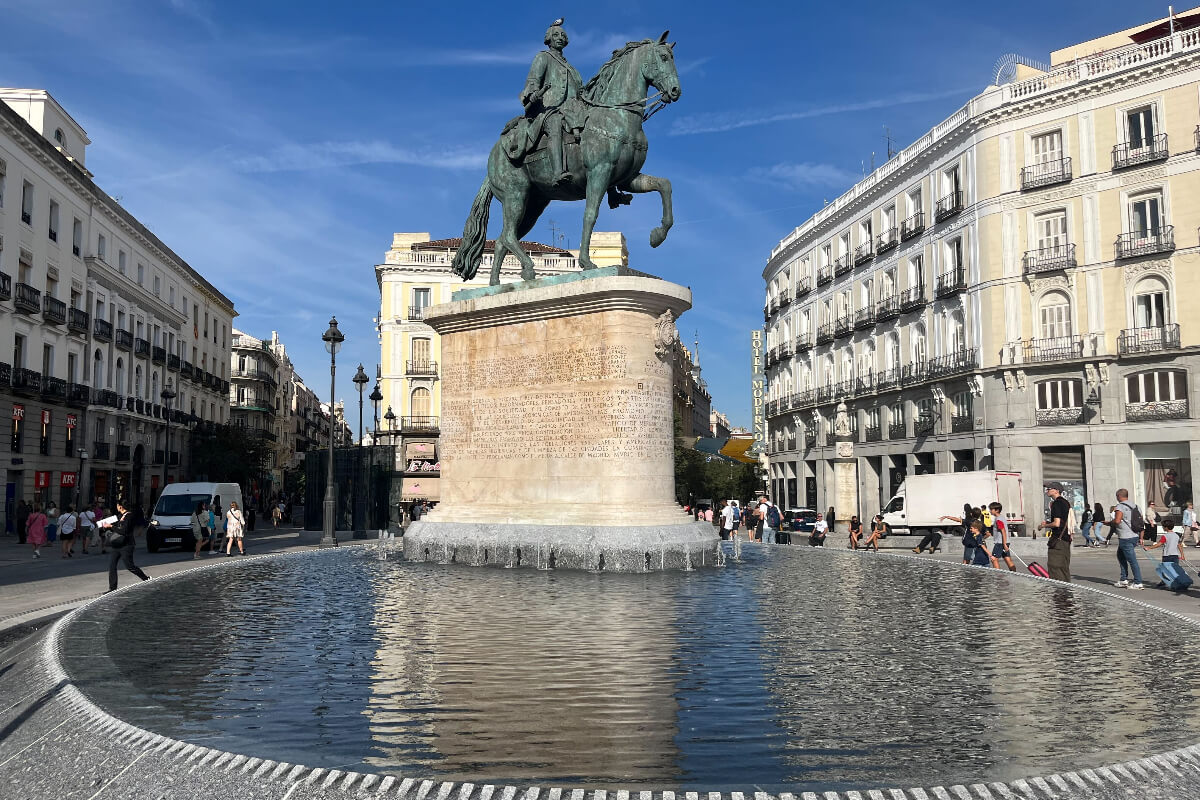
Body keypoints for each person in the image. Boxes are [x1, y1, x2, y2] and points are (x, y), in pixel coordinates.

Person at [521, 19, 584, 187]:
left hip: (573, 110)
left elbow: (580, 91)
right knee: (555, 126)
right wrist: (532, 94)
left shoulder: (572, 68)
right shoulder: (543, 57)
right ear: (548, 38)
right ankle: (557, 173)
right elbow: (533, 80)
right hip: (549, 109)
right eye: (556, 34)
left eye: (563, 35)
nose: (560, 37)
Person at [101, 498, 150, 591]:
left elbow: (124, 531)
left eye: (117, 505)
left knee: (130, 566)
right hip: (117, 544)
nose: (116, 507)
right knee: (112, 566)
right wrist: (102, 524)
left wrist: (111, 526)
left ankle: (146, 579)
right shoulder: (120, 515)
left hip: (126, 545)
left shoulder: (129, 516)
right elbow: (109, 522)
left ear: (120, 506)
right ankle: (112, 588)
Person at [1108, 488, 1145, 590]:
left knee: (1132, 560)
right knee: (1120, 556)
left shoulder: (1120, 506)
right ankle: (1123, 579)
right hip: (1134, 535)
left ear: (1119, 496)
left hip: (1125, 536)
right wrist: (1141, 537)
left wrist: (1109, 523)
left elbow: (1117, 520)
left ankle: (1138, 582)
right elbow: (1141, 522)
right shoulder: (1136, 506)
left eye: (1117, 496)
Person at [1041, 483, 1072, 582]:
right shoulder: (1065, 502)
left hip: (1058, 540)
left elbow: (1057, 523)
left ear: (1056, 490)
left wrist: (1044, 525)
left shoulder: (1057, 503)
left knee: (1055, 568)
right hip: (1065, 539)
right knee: (1063, 568)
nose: (1047, 491)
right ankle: (1066, 593)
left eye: (1049, 489)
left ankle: (1060, 595)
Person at [1145, 515, 1187, 589]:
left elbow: (1159, 544)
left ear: (1166, 528)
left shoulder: (1165, 536)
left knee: (1165, 570)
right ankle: (1177, 581)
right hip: (1175, 556)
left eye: (1163, 527)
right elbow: (1179, 545)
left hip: (1167, 556)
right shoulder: (1176, 536)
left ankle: (1164, 581)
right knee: (1174, 570)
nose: (1163, 528)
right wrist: (1182, 555)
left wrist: (1149, 548)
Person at [988, 502, 1016, 571]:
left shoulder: (998, 520)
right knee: (1007, 559)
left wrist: (1004, 544)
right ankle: (1014, 573)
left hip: (1000, 543)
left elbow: (1003, 531)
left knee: (994, 559)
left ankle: (998, 575)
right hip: (1005, 542)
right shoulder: (1001, 517)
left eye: (991, 509)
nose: (990, 511)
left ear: (996, 510)